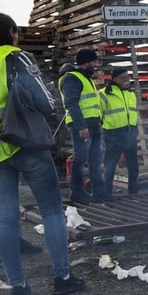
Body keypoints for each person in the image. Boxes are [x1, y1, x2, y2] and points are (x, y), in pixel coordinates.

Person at [0, 13, 85, 295]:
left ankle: (18, 287)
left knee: (6, 218)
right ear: (12, 32)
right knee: (51, 211)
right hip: (23, 143)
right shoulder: (15, 56)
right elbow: (45, 101)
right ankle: (62, 278)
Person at [58, 48, 105, 203]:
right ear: (87, 62)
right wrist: (81, 126)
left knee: (95, 159)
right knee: (81, 158)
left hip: (93, 125)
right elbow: (71, 103)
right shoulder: (72, 78)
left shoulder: (85, 77)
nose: (96, 64)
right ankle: (77, 191)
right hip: (83, 126)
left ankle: (99, 192)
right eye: (94, 61)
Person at [99, 67, 139, 197]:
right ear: (115, 79)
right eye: (124, 78)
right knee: (110, 167)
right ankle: (106, 194)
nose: (127, 80)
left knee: (133, 167)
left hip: (130, 133)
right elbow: (98, 115)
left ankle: (133, 193)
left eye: (128, 77)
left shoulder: (130, 94)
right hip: (113, 134)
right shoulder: (104, 94)